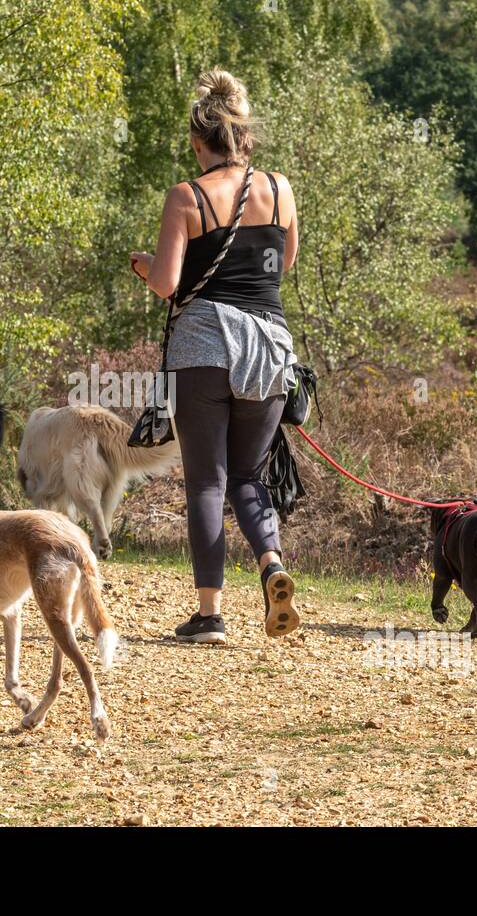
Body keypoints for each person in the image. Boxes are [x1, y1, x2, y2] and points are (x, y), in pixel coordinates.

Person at [129, 68, 301, 645]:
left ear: (198, 143)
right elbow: (284, 264)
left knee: (207, 482)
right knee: (248, 476)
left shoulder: (187, 195)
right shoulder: (280, 190)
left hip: (203, 346)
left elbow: (166, 283)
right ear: (244, 137)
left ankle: (209, 616)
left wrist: (140, 265)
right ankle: (272, 564)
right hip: (270, 350)